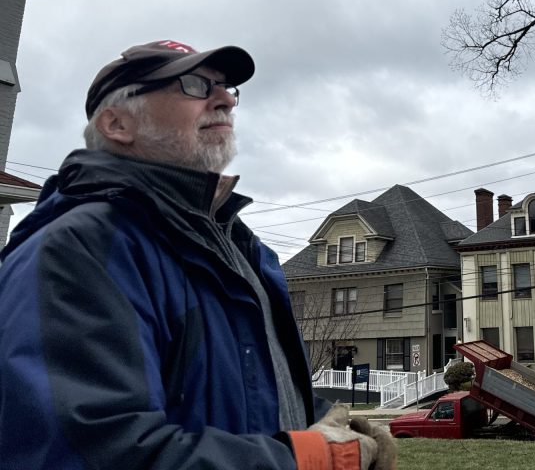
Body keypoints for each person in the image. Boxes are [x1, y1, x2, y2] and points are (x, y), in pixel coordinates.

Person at [0, 40, 396, 470]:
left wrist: (323, 421)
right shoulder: (80, 248)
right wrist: (308, 459)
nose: (225, 99)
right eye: (194, 85)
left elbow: (246, 395)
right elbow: (85, 450)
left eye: (226, 87)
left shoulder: (241, 247)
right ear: (117, 123)